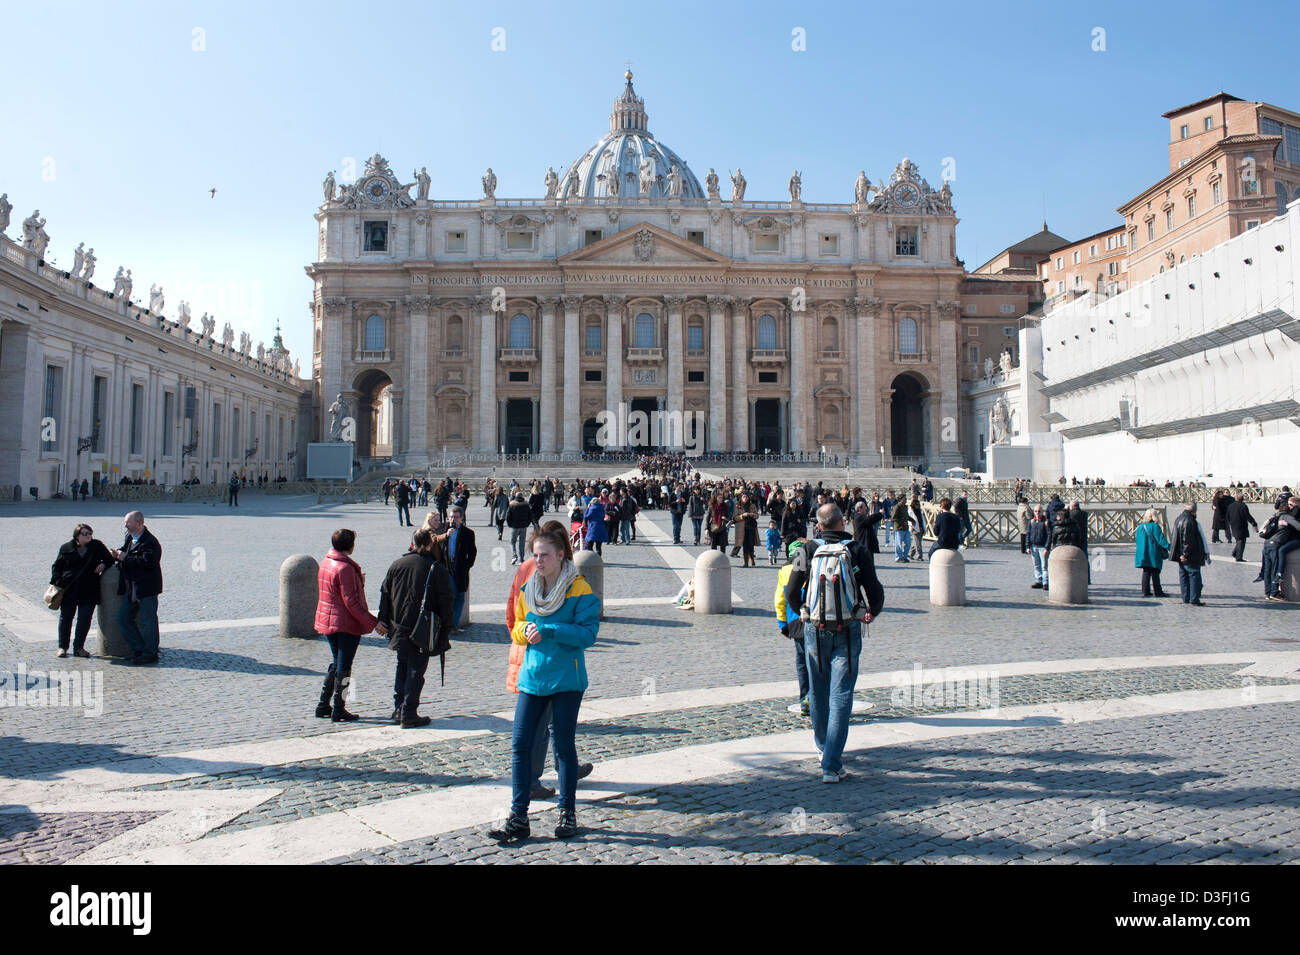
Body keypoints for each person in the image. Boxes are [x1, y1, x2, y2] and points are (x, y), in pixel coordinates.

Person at [489, 524, 600, 843]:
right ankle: (518, 816)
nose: (538, 561)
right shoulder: (528, 588)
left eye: (545, 555)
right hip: (533, 676)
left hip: (567, 677)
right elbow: (517, 627)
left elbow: (588, 634)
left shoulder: (579, 588)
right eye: (535, 555)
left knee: (563, 746)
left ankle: (567, 813)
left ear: (561, 554)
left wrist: (550, 630)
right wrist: (527, 632)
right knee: (520, 745)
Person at [784, 505, 884, 783]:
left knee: (817, 690)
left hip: (815, 627)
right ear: (842, 522)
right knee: (841, 695)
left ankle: (822, 746)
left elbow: (791, 590)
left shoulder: (806, 550)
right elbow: (873, 588)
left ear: (818, 525)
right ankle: (831, 763)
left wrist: (803, 609)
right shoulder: (856, 550)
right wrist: (871, 611)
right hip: (848, 626)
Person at [377, 529, 454, 727]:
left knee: (402, 666)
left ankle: (398, 708)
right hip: (423, 628)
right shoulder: (435, 568)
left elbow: (385, 594)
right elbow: (446, 602)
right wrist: (446, 630)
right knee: (415, 671)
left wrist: (383, 620)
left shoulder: (397, 564)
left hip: (399, 626)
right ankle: (409, 712)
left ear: (413, 543)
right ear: (429, 544)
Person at [313, 529, 383, 721]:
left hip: (328, 621)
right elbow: (351, 602)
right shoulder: (345, 568)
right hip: (345, 624)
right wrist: (374, 623)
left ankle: (322, 705)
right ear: (350, 545)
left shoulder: (326, 562)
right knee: (344, 667)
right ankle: (339, 708)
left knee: (337, 663)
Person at [49, 523, 113, 658]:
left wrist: (103, 564)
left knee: (84, 619)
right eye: (85, 533)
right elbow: (57, 567)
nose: (89, 536)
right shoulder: (66, 547)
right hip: (70, 589)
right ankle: (62, 647)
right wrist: (58, 582)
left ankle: (79, 647)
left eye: (90, 533)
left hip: (89, 589)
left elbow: (110, 559)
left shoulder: (97, 546)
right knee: (66, 619)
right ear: (77, 535)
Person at [112, 510, 163, 665]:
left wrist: (126, 557)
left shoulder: (150, 542)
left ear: (139, 523)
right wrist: (117, 554)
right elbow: (126, 551)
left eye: (128, 522)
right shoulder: (129, 537)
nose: (125, 525)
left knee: (148, 621)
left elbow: (148, 562)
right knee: (123, 618)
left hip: (146, 588)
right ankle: (138, 649)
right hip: (131, 587)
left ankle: (150, 653)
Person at [774, 540, 810, 716]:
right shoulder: (812, 565)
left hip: (794, 621)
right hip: (813, 619)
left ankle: (805, 698)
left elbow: (780, 599)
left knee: (802, 661)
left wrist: (782, 623)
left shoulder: (784, 571)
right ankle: (819, 696)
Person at [1169, 502, 1210, 606]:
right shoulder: (1190, 520)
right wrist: (1185, 554)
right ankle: (1194, 598)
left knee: (1184, 575)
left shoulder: (1179, 518)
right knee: (1193, 575)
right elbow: (1187, 540)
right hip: (1190, 555)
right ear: (1194, 510)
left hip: (1179, 553)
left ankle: (1186, 597)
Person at [445, 506, 476, 631]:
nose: (453, 519)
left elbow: (472, 552)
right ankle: (449, 625)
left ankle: (454, 624)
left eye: (456, 517)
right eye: (451, 516)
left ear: (461, 518)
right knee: (451, 594)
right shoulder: (443, 529)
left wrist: (467, 565)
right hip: (446, 567)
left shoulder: (468, 533)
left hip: (460, 568)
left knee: (460, 596)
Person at [1134, 509, 1170, 598]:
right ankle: (1158, 591)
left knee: (1146, 571)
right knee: (1155, 572)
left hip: (1143, 553)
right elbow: (1161, 540)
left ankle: (1145, 591)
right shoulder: (1155, 526)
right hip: (1153, 552)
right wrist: (1170, 547)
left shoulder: (1140, 527)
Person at [1226, 493, 1258, 562]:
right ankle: (1238, 557)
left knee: (1238, 540)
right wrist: (1253, 523)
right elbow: (1248, 516)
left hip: (1233, 524)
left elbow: (1227, 515)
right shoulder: (1243, 506)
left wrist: (1230, 522)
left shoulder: (1230, 505)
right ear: (1242, 499)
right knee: (1241, 541)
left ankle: (1235, 552)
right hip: (1241, 525)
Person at [1027, 505, 1049, 589]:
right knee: (1036, 565)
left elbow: (1049, 535)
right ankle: (1038, 580)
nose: (1037, 513)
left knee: (1044, 566)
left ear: (1042, 512)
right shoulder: (1031, 522)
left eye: (1039, 511)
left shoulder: (1046, 522)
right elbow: (1028, 534)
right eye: (1035, 511)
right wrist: (1028, 546)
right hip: (1034, 546)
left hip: (1043, 546)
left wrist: (1047, 547)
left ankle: (1045, 582)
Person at [506, 492, 532, 564]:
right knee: (522, 543)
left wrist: (510, 524)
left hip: (515, 526)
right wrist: (527, 523)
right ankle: (521, 559)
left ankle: (514, 555)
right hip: (523, 526)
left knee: (512, 541)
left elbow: (508, 516)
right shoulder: (526, 505)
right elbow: (530, 516)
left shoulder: (512, 505)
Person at [736, 493, 760, 567]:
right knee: (744, 545)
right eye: (744, 497)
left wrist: (752, 515)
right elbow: (735, 517)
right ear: (741, 498)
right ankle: (745, 562)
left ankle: (752, 559)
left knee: (751, 544)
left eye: (746, 497)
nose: (745, 498)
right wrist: (742, 515)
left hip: (751, 527)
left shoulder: (752, 505)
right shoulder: (738, 506)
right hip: (742, 528)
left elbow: (757, 515)